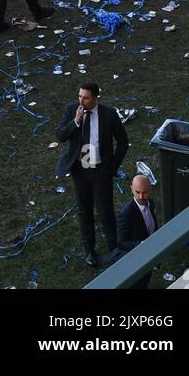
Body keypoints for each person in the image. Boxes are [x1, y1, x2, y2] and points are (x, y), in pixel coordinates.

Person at [56, 81, 129, 267]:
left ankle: (113, 249)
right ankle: (89, 251)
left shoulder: (109, 114)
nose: (81, 101)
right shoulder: (72, 110)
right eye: (80, 96)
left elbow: (123, 142)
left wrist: (113, 167)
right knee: (85, 211)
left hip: (100, 170)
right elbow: (60, 135)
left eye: (86, 98)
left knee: (106, 211)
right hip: (80, 170)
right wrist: (75, 121)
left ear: (96, 98)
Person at [115, 174, 157, 289]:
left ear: (150, 189)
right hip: (136, 259)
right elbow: (121, 242)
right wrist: (142, 245)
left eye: (144, 192)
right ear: (131, 189)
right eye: (137, 192)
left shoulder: (150, 203)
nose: (141, 196)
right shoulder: (126, 214)